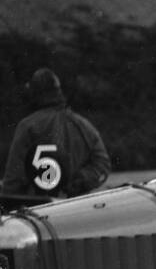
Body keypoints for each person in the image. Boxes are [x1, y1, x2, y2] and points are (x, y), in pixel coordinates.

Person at [2, 68, 110, 199]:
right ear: (58, 92)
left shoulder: (27, 126)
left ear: (35, 94)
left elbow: (13, 182)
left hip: (38, 209)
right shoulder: (84, 125)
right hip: (77, 208)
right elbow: (102, 164)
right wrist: (78, 181)